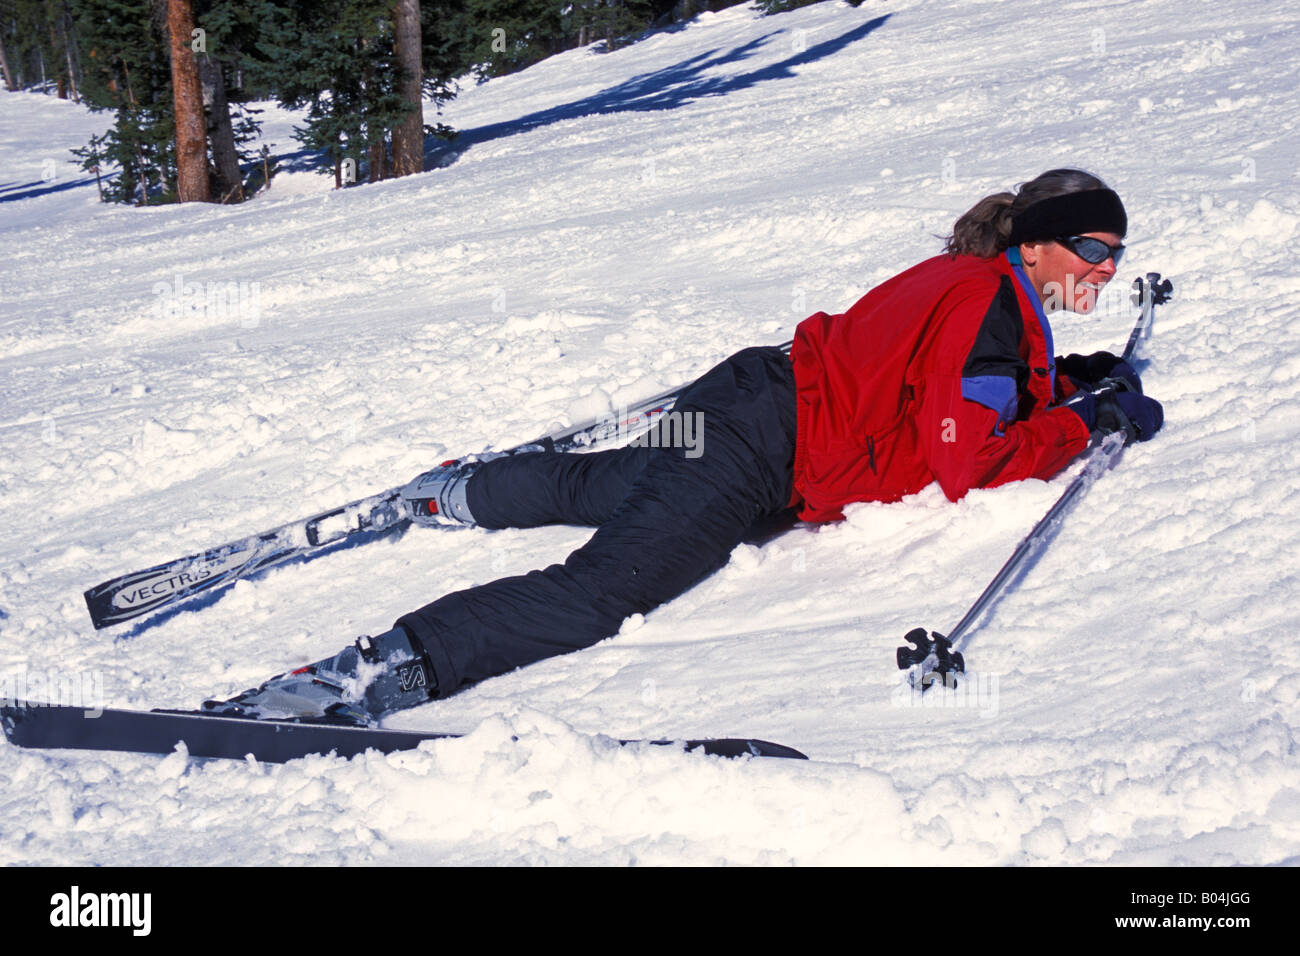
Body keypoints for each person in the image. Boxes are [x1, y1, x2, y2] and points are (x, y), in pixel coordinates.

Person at [207, 168, 1164, 724]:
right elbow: (967, 456)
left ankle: (457, 492)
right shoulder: (989, 304)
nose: (1106, 268)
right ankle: (355, 677)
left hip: (745, 395)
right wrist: (1090, 422)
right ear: (1037, 243)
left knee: (613, 483)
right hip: (761, 445)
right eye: (1092, 249)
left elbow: (941, 387)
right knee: (602, 591)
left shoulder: (977, 284)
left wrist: (1064, 383)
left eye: (1115, 254)